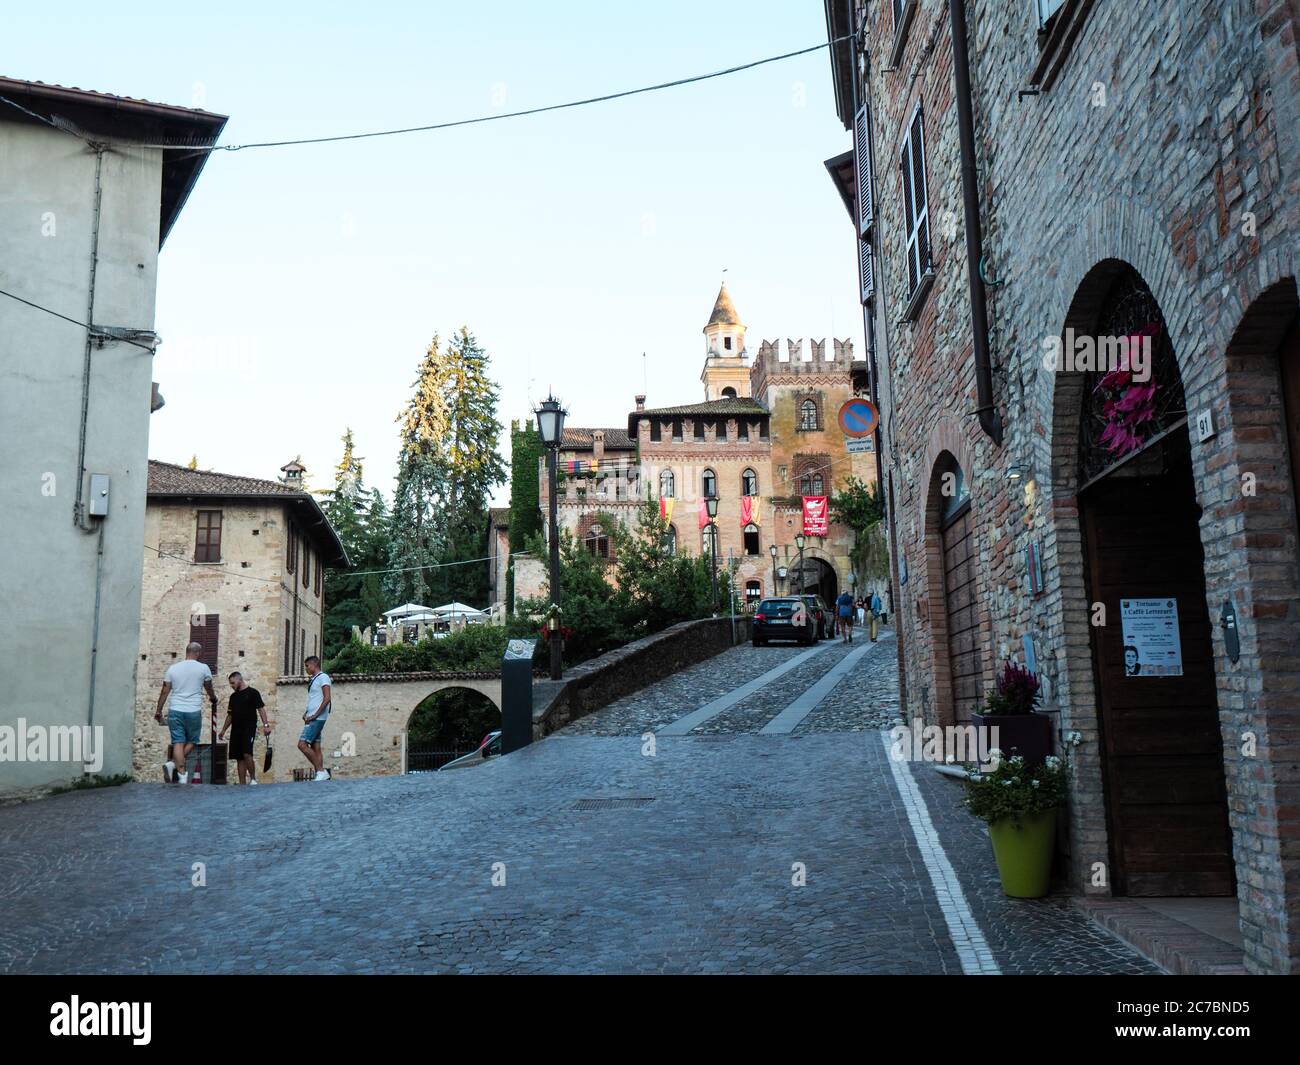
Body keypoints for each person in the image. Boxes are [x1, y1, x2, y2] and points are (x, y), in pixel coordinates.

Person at [154, 642, 217, 784]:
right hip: (193, 710)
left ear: (186, 651)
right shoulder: (203, 668)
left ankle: (179, 772)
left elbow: (164, 691)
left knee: (177, 741)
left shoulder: (173, 668)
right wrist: (213, 698)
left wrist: (158, 710)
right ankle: (174, 766)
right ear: (198, 653)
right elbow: (209, 687)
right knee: (193, 741)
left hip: (175, 709)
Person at [220, 672, 270, 785]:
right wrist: (223, 730)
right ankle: (242, 783)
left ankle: (253, 779)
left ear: (239, 680)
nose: (232, 686)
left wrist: (266, 725)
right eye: (230, 684)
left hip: (249, 728)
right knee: (239, 757)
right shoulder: (233, 697)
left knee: (247, 753)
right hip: (236, 729)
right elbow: (230, 715)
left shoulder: (253, 693)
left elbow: (261, 709)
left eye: (233, 683)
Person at [299, 656, 332, 782]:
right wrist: (306, 712)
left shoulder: (323, 677)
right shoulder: (314, 679)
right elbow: (315, 699)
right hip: (312, 716)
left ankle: (320, 771)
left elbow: (326, 698)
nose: (306, 669)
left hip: (317, 718)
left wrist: (315, 715)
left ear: (314, 664)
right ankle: (322, 775)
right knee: (315, 746)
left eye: (307, 666)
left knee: (302, 744)